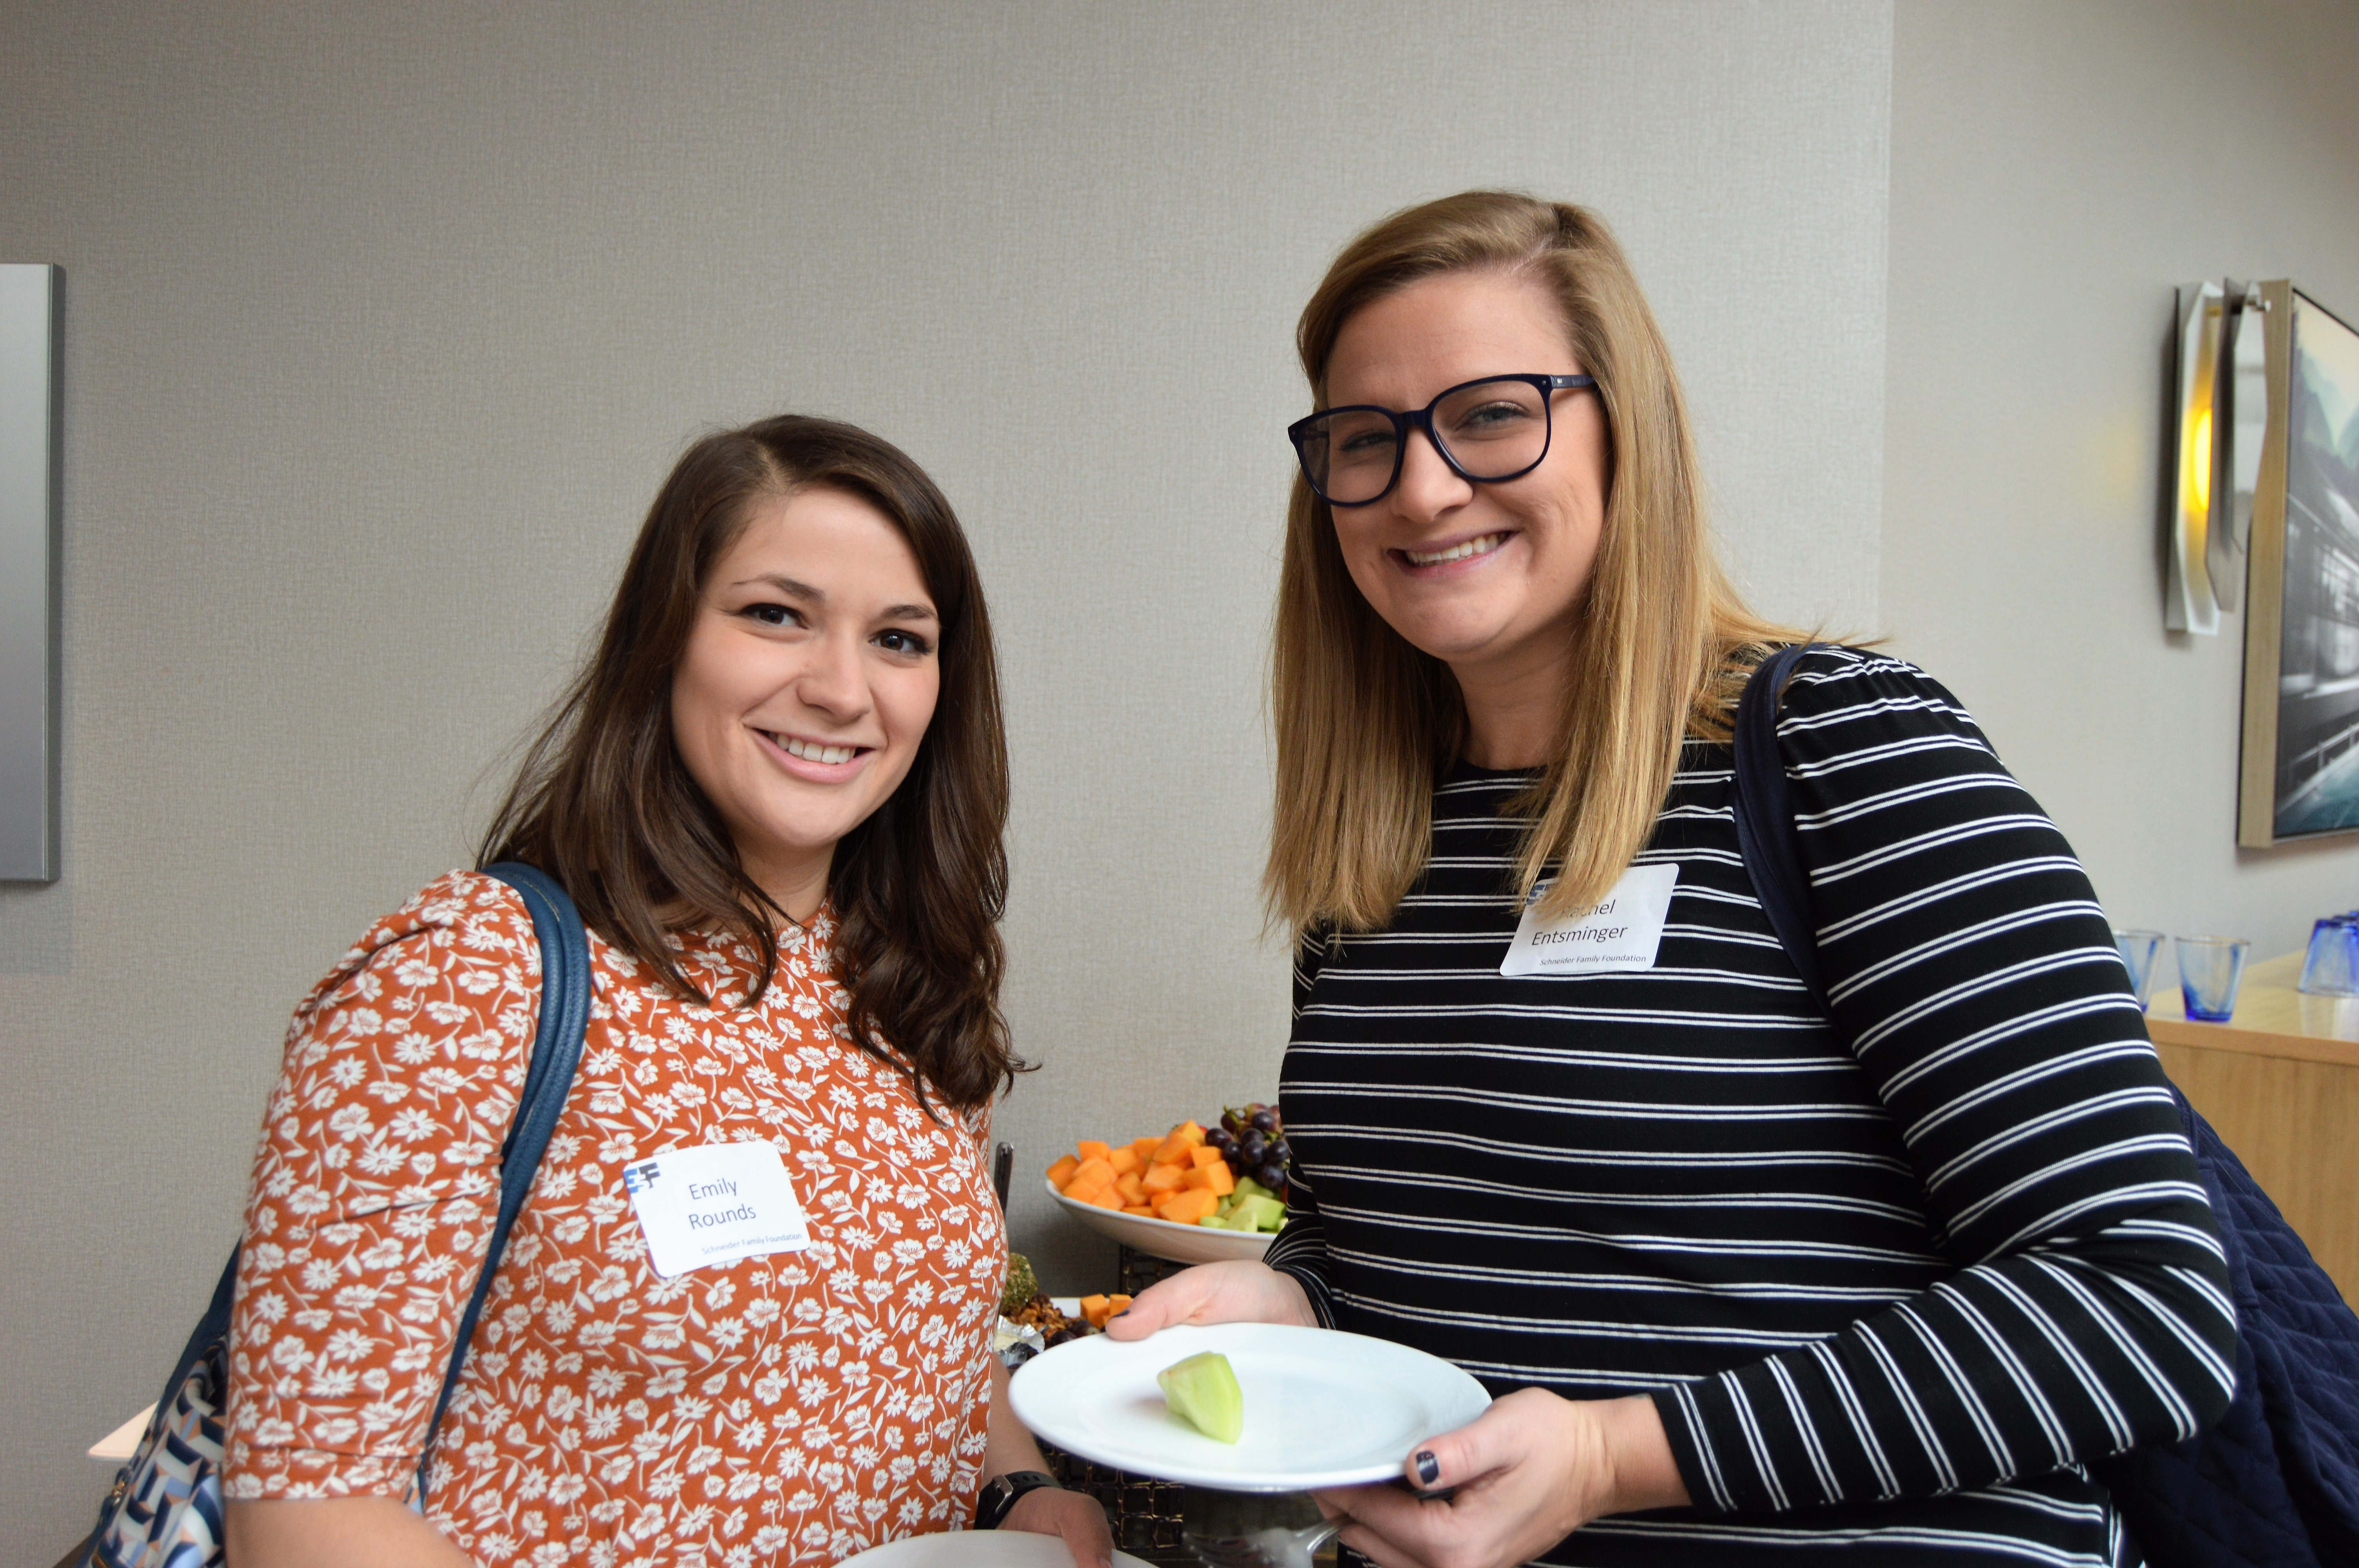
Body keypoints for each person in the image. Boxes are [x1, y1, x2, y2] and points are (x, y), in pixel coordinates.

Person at [1111, 192, 2236, 1567]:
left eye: (1489, 414)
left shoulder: (1839, 752)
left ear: (1621, 431)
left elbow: (2142, 1308)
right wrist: (1301, 1305)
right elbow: (1451, 1259)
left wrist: (1607, 1459)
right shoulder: (1379, 845)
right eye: (1364, 440)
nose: (1419, 487)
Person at [220, 415, 1111, 1568]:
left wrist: (1017, 1487)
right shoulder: (470, 975)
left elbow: (896, 1322)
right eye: (775, 615)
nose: (844, 689)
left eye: (899, 638)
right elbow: (302, 1516)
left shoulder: (907, 980)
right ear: (664, 639)